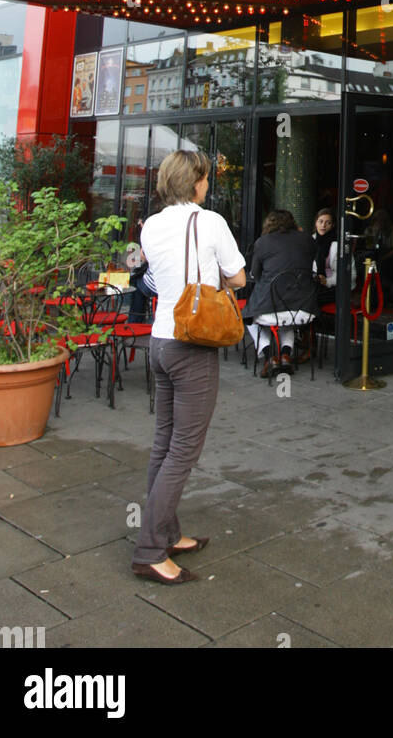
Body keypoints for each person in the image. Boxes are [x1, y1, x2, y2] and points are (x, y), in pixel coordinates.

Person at [131, 150, 246, 584]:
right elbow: (237, 277)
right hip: (193, 345)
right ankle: (149, 551)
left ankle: (168, 532)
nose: (207, 185)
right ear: (195, 182)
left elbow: (158, 279)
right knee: (184, 449)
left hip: (160, 341)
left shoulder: (152, 225)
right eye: (204, 179)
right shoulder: (209, 221)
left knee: (164, 440)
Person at [246, 210, 318, 376]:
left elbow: (255, 274)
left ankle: (270, 356)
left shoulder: (262, 242)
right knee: (287, 323)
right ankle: (285, 355)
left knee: (250, 318)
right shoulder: (307, 239)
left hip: (271, 308)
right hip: (303, 309)